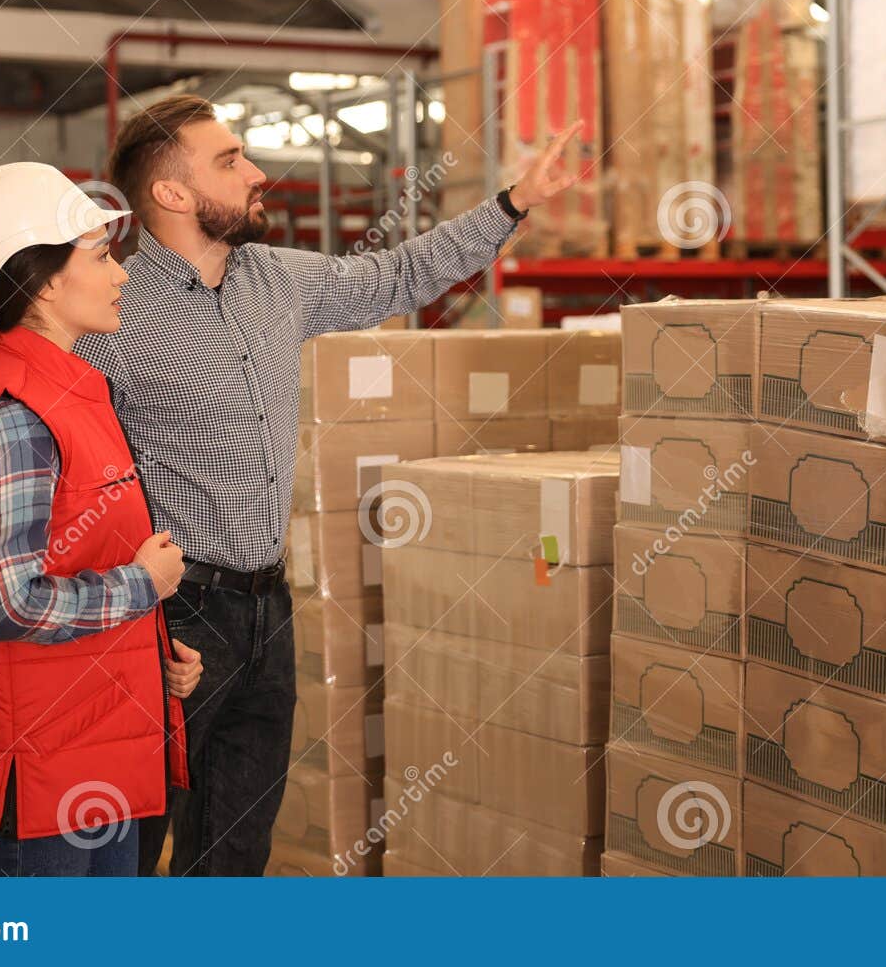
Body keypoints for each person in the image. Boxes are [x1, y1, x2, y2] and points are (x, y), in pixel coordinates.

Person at [74, 96, 582, 875]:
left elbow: (403, 274)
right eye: (231, 160)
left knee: (235, 849)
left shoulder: (279, 280)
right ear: (173, 196)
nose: (258, 173)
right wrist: (130, 614)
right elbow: (75, 481)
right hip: (172, 619)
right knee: (128, 849)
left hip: (264, 612)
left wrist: (512, 204)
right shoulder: (114, 313)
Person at [0, 162, 205, 876]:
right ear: (44, 283)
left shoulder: (70, 389)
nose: (121, 273)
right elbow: (7, 601)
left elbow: (76, 558)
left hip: (87, 750)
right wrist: (143, 586)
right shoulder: (18, 412)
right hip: (36, 773)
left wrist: (149, 657)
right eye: (100, 256)